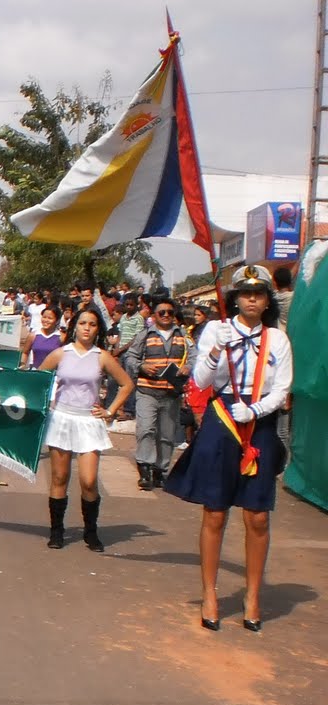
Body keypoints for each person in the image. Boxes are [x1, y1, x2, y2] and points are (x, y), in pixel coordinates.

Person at [164, 265, 294, 632]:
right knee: (215, 511)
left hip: (260, 422)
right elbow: (201, 381)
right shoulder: (215, 330)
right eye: (245, 292)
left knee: (257, 516)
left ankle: (253, 595)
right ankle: (210, 593)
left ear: (267, 299)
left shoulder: (277, 339)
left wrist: (256, 409)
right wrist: (216, 349)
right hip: (222, 422)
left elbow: (282, 389)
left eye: (259, 293)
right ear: (235, 297)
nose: (252, 299)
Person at [36, 308, 135, 551]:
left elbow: (126, 384)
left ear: (97, 328)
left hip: (89, 421)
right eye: (82, 323)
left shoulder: (102, 356)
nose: (87, 328)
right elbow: (38, 380)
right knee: (60, 477)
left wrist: (110, 411)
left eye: (92, 324)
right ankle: (57, 531)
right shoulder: (60, 354)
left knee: (88, 481)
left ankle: (91, 531)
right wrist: (46, 403)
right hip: (62, 418)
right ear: (74, 327)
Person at [122, 298, 190, 490]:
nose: (166, 315)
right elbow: (131, 356)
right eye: (162, 312)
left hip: (171, 393)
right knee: (145, 430)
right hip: (147, 391)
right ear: (154, 315)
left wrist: (188, 367)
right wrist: (141, 366)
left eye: (170, 312)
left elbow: (195, 356)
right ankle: (144, 469)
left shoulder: (184, 336)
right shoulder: (144, 335)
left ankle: (161, 470)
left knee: (167, 435)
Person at [21, 302, 65, 370]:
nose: (46, 320)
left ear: (57, 320)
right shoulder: (33, 335)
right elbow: (25, 352)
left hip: (54, 375)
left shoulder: (62, 337)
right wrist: (23, 365)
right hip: (35, 372)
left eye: (50, 318)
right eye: (44, 317)